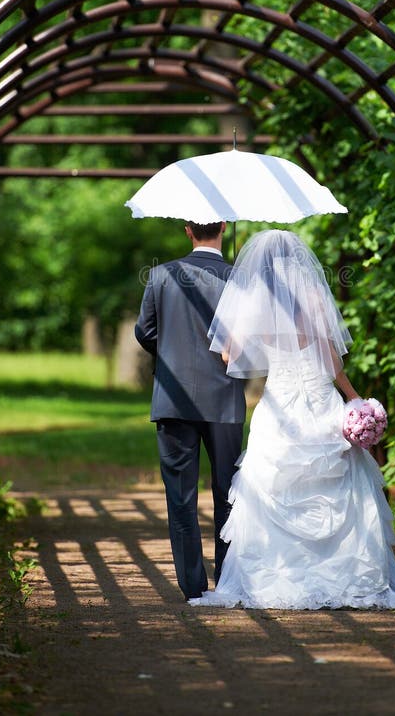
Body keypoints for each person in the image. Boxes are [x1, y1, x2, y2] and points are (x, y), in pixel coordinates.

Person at [189, 229, 395, 610]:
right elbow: (331, 360)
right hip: (319, 401)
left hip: (279, 403)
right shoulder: (313, 295)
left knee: (273, 484)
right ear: (300, 263)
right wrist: (354, 399)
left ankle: (275, 575)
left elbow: (228, 358)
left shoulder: (255, 300)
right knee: (341, 484)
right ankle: (347, 575)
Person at [134, 221, 247, 601]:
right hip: (224, 399)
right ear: (224, 227)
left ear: (187, 230)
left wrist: (170, 356)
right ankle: (228, 580)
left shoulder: (161, 275)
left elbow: (144, 331)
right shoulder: (239, 279)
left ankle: (192, 587)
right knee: (228, 493)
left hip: (173, 398)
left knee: (180, 496)